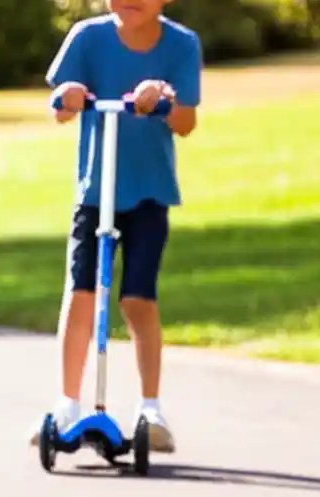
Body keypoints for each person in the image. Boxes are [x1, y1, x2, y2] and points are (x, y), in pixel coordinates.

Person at [31, 0, 202, 452]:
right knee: (82, 292)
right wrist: (66, 98)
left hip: (148, 192)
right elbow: (60, 106)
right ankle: (67, 403)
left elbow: (186, 121)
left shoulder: (182, 45)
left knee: (137, 299)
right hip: (94, 193)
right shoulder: (88, 38)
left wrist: (162, 102)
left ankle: (151, 406)